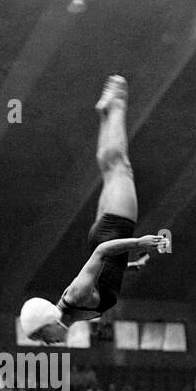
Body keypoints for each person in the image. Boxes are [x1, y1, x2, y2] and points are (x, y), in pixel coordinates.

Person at [19, 75, 166, 344]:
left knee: (120, 165)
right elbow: (102, 269)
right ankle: (106, 112)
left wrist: (139, 242)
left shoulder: (77, 297)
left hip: (112, 230)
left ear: (47, 323)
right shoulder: (73, 309)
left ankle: (118, 102)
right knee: (111, 169)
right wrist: (129, 267)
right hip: (105, 232)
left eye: (42, 335)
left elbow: (101, 253)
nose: (47, 342)